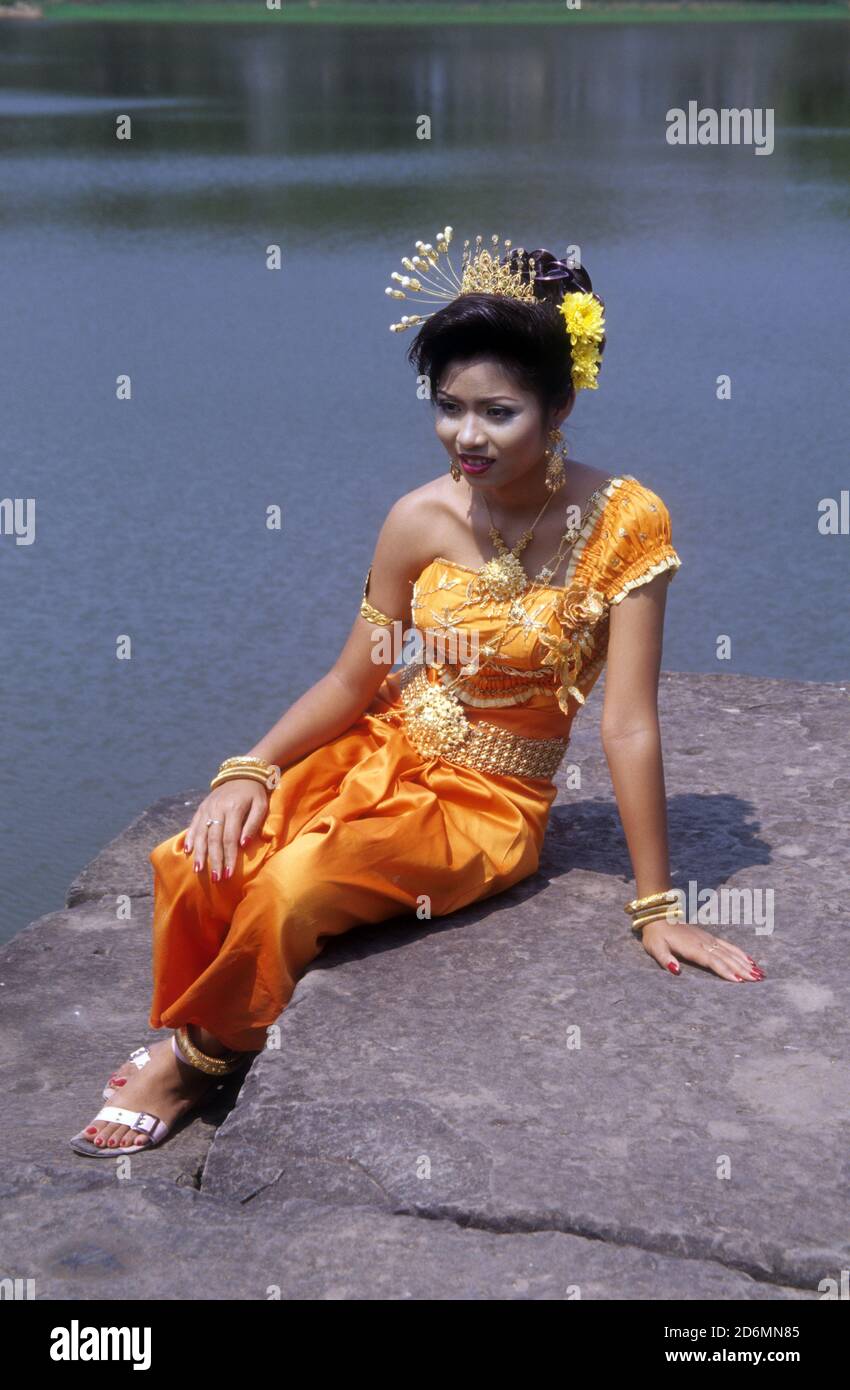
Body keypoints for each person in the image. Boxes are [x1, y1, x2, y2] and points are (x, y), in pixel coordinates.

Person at [70, 227, 765, 1158]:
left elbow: (630, 724)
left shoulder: (625, 523)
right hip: (386, 748)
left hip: (489, 806)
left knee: (292, 886)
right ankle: (219, 1017)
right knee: (204, 854)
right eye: (448, 408)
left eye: (499, 412)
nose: (466, 437)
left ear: (559, 406)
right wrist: (250, 769)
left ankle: (195, 1061)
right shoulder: (418, 516)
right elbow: (359, 675)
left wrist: (655, 906)